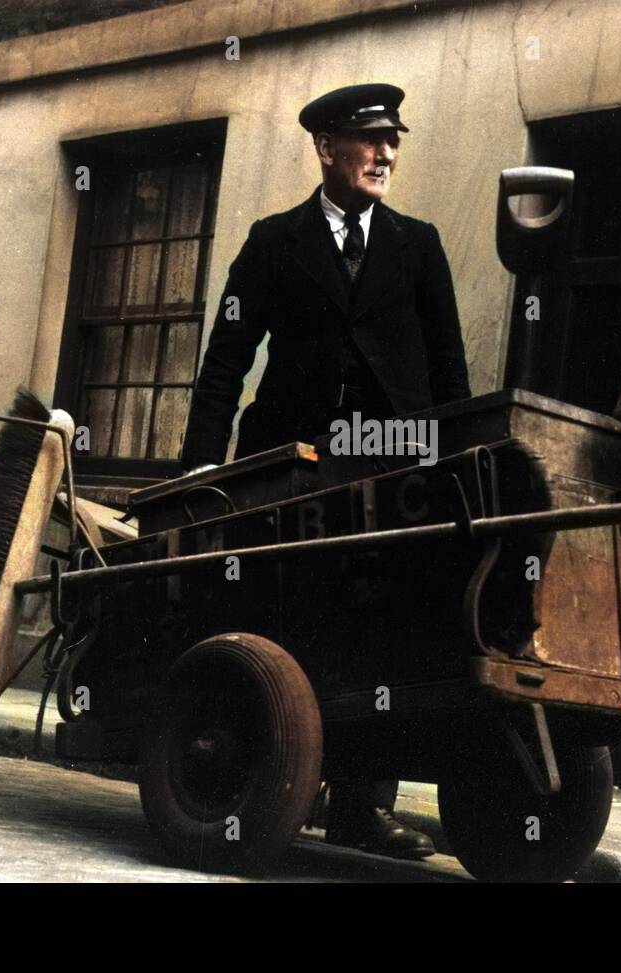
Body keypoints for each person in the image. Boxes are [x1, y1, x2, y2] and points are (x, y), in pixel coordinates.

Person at [179, 83, 471, 859]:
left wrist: (453, 464)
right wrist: (204, 470)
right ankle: (271, 783)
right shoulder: (274, 241)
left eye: (392, 142)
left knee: (383, 628)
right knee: (291, 615)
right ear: (326, 148)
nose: (386, 154)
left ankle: (362, 809)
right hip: (289, 467)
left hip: (393, 472)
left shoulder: (419, 245)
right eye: (370, 140)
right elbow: (226, 363)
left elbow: (450, 374)